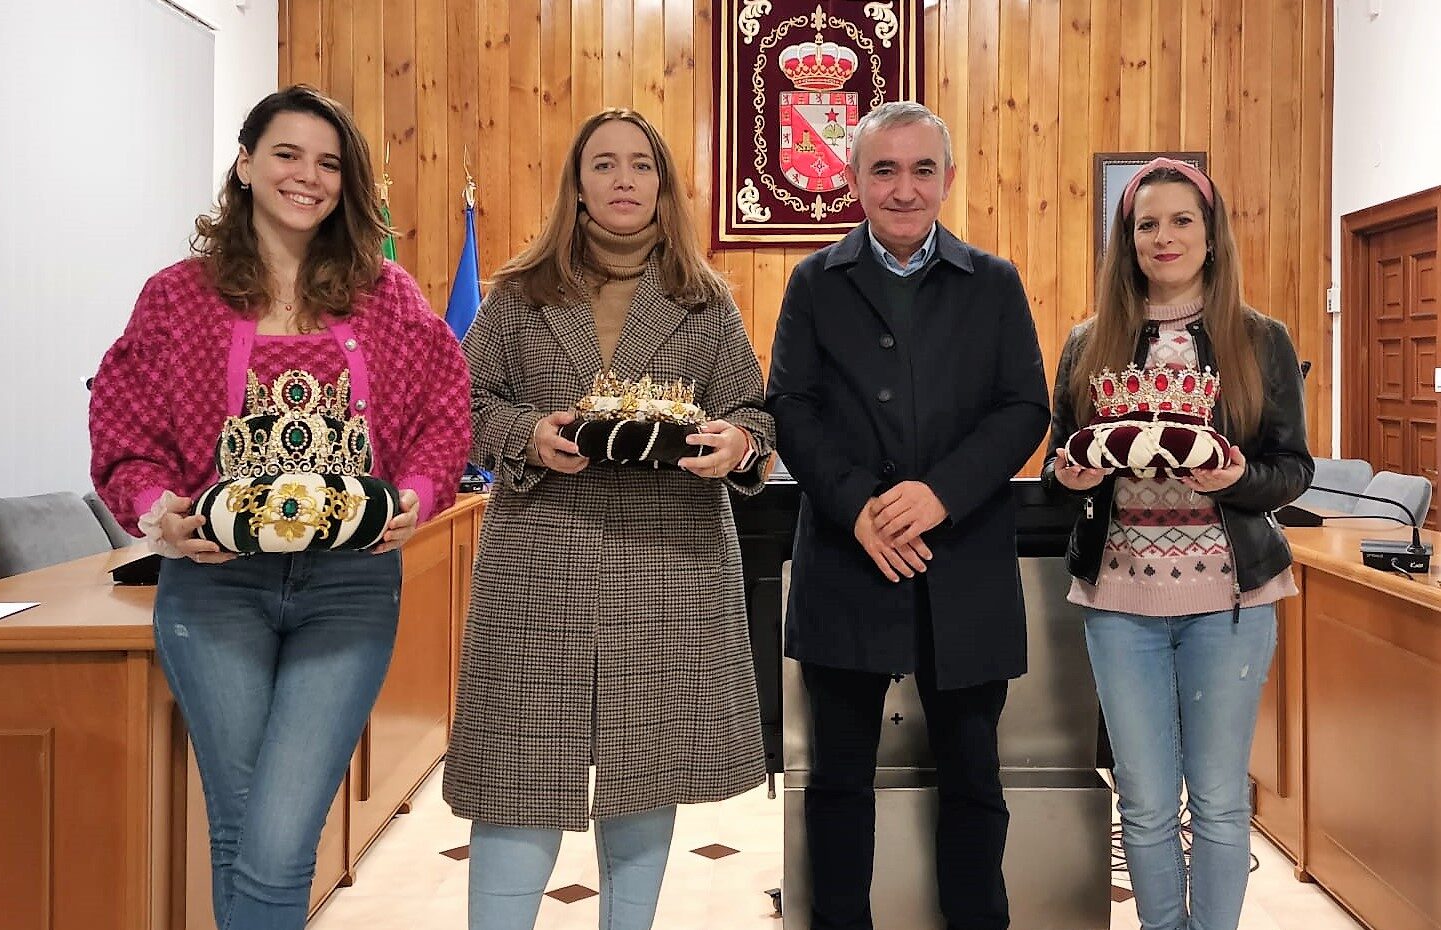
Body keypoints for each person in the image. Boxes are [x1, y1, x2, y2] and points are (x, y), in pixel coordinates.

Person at [89, 84, 471, 930]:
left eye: (329, 163)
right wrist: (157, 509)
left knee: (278, 836)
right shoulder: (175, 297)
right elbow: (123, 421)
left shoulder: (387, 295)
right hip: (213, 589)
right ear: (245, 164)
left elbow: (445, 412)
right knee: (240, 829)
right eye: (287, 154)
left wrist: (416, 494)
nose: (308, 176)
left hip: (349, 589)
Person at [442, 106, 775, 930]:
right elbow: (463, 403)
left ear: (662, 184)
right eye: (603, 164)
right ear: (578, 185)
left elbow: (753, 412)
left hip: (670, 561)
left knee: (643, 772)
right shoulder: (517, 295)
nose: (623, 179)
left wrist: (736, 442)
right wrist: (526, 433)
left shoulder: (705, 300)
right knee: (518, 774)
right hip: (539, 562)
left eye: (640, 164)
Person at [767, 101, 1050, 930]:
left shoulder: (993, 282)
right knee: (837, 783)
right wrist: (858, 506)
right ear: (852, 180)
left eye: (921, 169)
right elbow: (791, 407)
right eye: (883, 170)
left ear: (947, 179)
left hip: (962, 565)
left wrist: (940, 494)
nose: (903, 189)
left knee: (973, 779)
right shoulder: (814, 282)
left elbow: (1023, 408)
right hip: (846, 561)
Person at [1042, 157, 1313, 930]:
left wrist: (1235, 478)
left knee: (1220, 800)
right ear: (1127, 240)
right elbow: (1057, 468)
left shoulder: (1257, 340)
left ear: (1210, 234)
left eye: (1181, 220)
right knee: (1145, 801)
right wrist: (1071, 475)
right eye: (1146, 224)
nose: (1164, 237)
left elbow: (1291, 469)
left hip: (1229, 602)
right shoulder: (1089, 342)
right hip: (1118, 599)